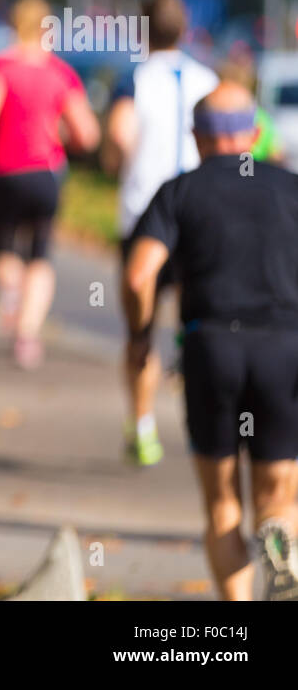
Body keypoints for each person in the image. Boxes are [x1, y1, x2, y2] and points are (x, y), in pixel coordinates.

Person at [124, 81, 298, 601]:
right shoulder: (291, 188)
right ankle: (282, 537)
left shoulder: (179, 191)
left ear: (197, 137)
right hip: (285, 349)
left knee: (222, 502)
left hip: (211, 346)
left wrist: (139, 336)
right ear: (254, 133)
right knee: (278, 493)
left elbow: (139, 276)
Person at [104, 0, 218, 466]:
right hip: (198, 215)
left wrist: (117, 164)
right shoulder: (207, 78)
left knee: (140, 330)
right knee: (198, 325)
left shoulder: (134, 78)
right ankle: (202, 423)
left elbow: (118, 134)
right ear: (185, 29)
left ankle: (143, 426)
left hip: (144, 216)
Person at [0, 0, 99, 369]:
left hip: (6, 171)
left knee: (4, 248)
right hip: (46, 172)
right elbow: (89, 134)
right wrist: (62, 136)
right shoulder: (62, 73)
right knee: (41, 253)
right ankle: (27, 335)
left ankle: (11, 297)